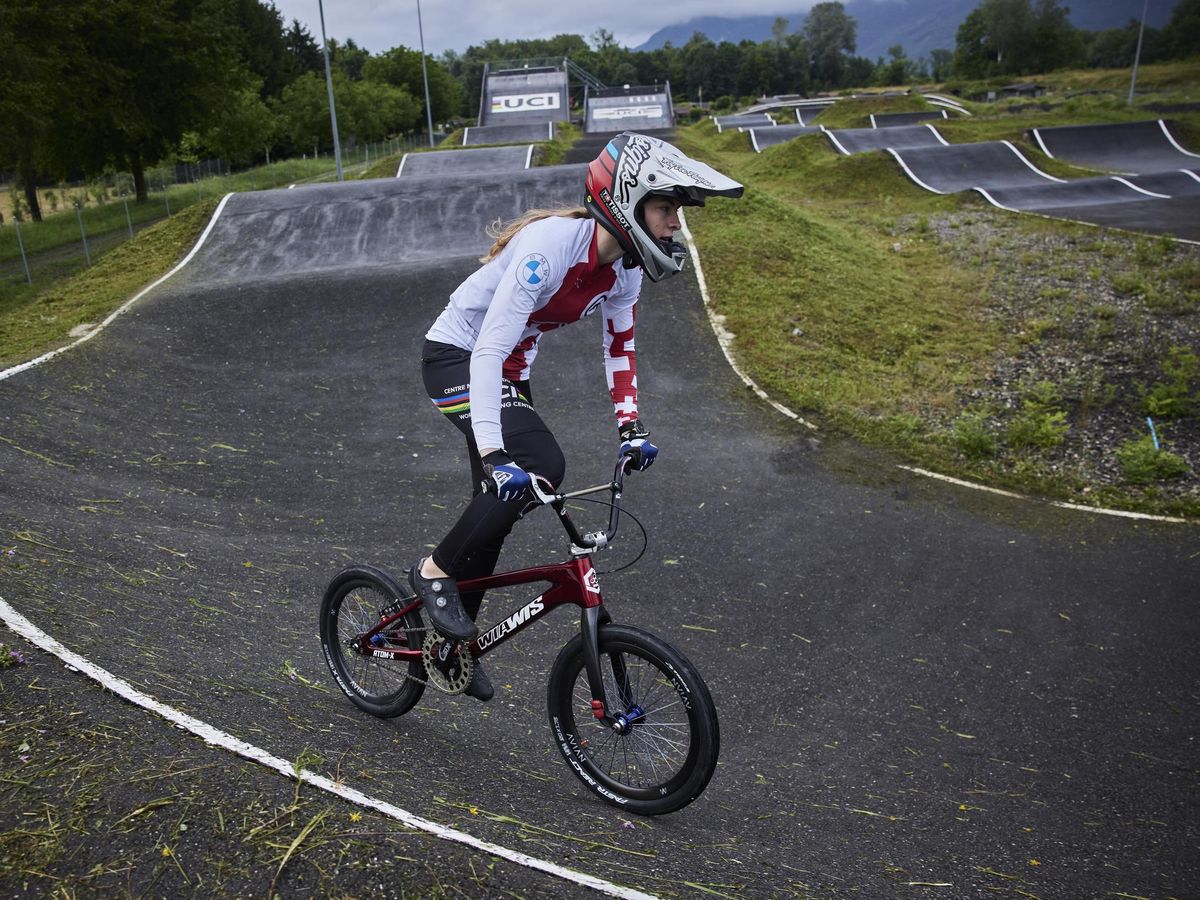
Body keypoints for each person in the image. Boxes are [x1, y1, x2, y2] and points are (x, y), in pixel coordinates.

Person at [410, 131, 743, 700]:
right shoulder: (550, 248)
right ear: (626, 201)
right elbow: (488, 349)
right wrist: (494, 453)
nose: (674, 225)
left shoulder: (625, 270)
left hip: (507, 373)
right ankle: (435, 574)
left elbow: (620, 349)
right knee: (538, 462)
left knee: (501, 505)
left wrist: (631, 426)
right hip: (459, 357)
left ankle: (444, 647)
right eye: (666, 209)